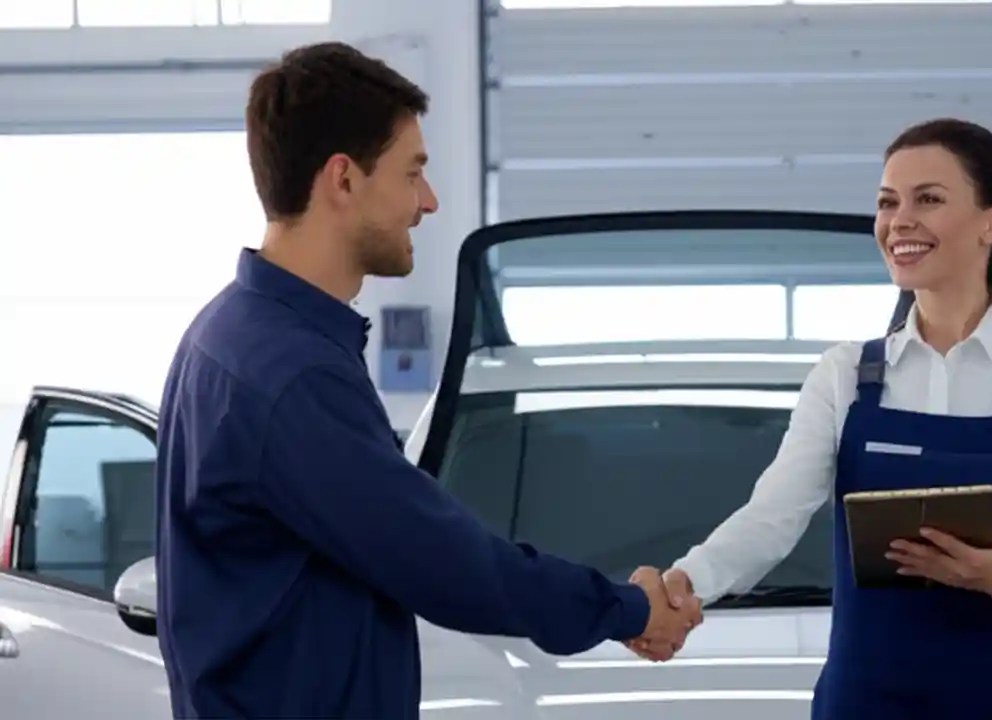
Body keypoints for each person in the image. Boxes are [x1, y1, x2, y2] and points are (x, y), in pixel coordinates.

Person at [153, 42, 696, 720]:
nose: (429, 201)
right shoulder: (291, 374)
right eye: (413, 173)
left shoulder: (229, 334)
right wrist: (628, 606)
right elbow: (447, 563)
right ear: (343, 180)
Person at [627, 118, 992, 719]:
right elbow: (772, 517)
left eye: (929, 199)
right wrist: (682, 585)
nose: (900, 221)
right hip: (867, 701)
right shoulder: (844, 376)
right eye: (888, 203)